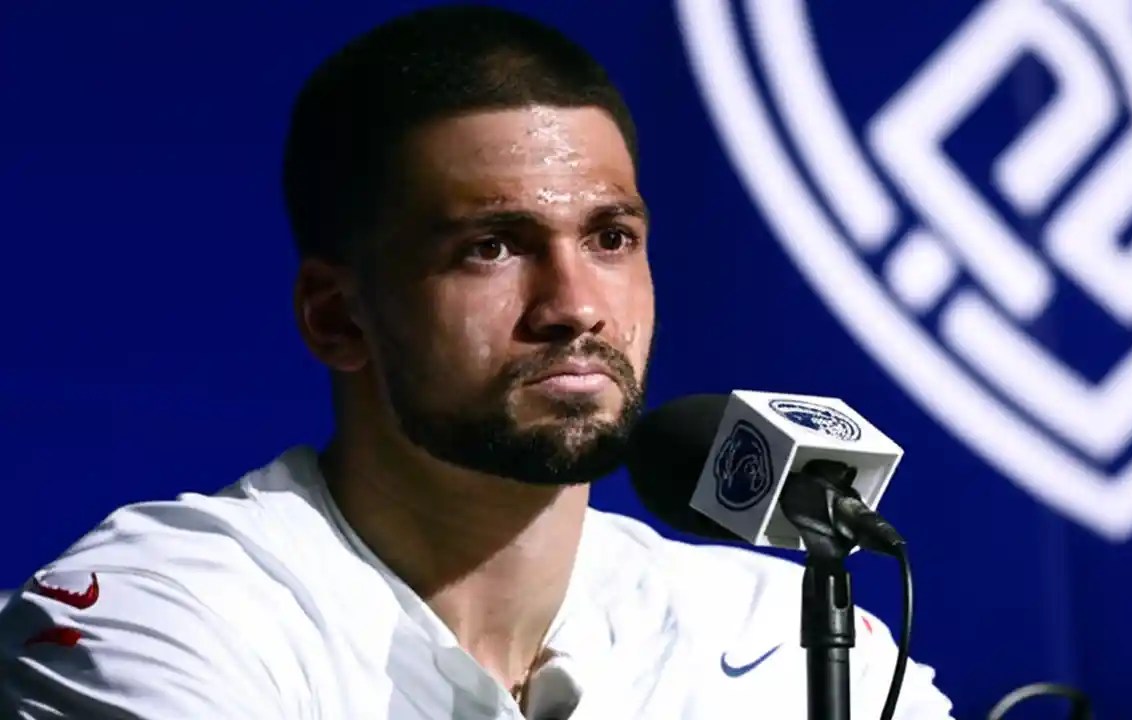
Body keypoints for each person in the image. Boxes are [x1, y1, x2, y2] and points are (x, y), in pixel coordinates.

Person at [0, 5, 954, 718]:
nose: (576, 306)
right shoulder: (166, 616)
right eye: (492, 247)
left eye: (611, 237)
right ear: (337, 318)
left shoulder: (778, 640)